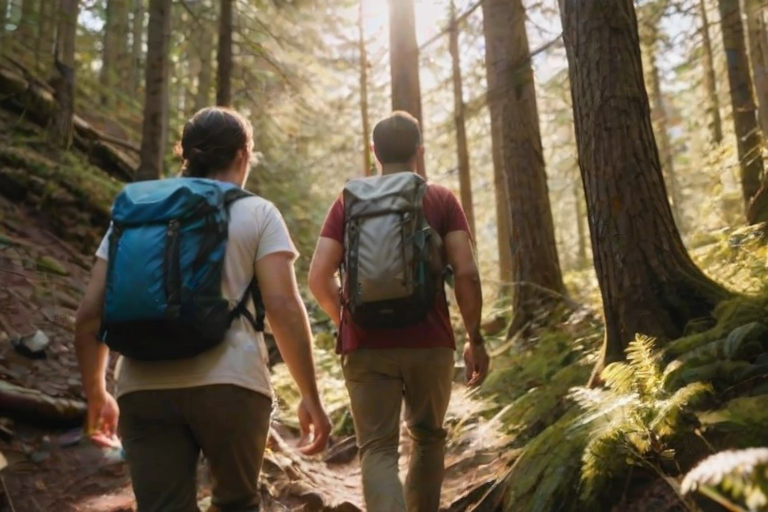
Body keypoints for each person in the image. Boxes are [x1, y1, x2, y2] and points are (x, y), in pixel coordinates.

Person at [74, 106, 331, 512]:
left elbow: (89, 315)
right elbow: (283, 307)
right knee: (237, 504)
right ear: (243, 155)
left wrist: (96, 393)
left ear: (186, 154)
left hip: (142, 387)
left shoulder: (137, 214)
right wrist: (310, 396)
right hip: (232, 384)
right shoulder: (258, 212)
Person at [308, 110, 490, 512]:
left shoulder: (348, 201)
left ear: (374, 151)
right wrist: (474, 338)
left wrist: (347, 322)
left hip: (365, 345)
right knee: (428, 438)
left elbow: (318, 278)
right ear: (418, 151)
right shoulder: (440, 198)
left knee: (377, 448)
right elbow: (467, 273)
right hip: (430, 340)